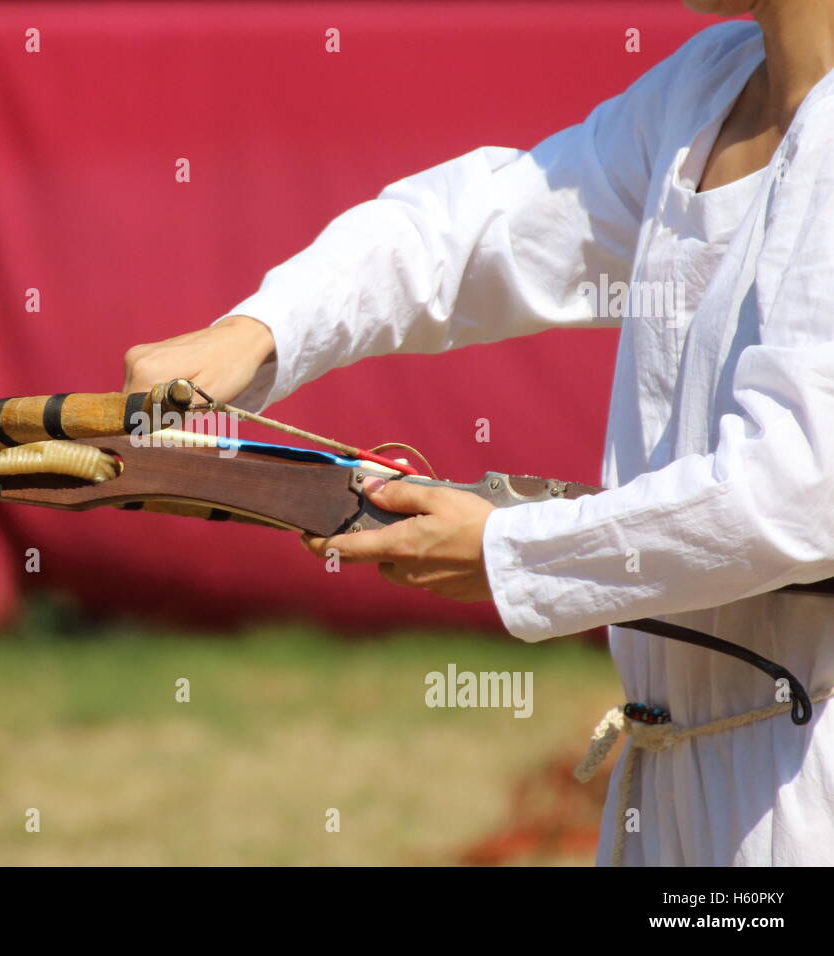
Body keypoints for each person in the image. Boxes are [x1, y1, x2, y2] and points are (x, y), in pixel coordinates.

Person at [123, 1, 834, 866]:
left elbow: (798, 491)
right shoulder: (706, 87)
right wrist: (259, 330)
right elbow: (480, 228)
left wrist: (508, 552)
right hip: (688, 767)